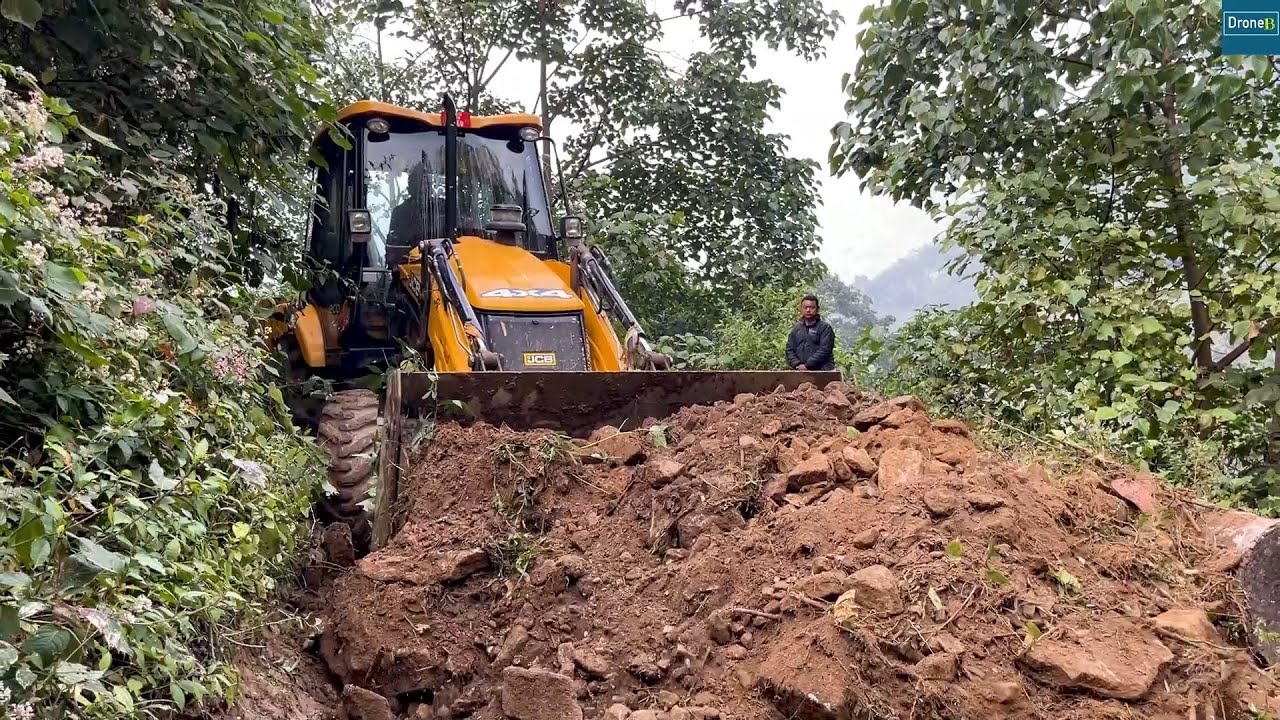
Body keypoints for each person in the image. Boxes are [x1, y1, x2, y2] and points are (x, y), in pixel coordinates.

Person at [785, 294, 836, 371]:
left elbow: (825, 350)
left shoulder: (825, 328)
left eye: (812, 307)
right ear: (801, 309)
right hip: (800, 371)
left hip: (822, 371)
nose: (808, 310)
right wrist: (797, 364)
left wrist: (807, 365)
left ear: (817, 309)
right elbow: (789, 349)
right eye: (805, 307)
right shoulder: (796, 329)